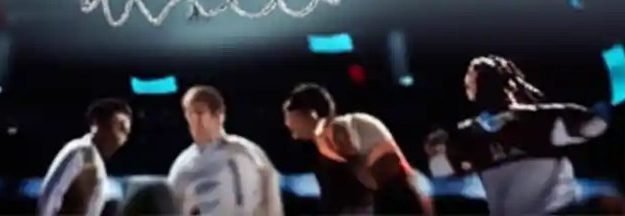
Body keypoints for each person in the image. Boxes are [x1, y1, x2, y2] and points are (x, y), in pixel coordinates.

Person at [444, 55, 608, 215]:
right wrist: (604, 108)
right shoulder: (545, 118)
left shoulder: (467, 135)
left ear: (472, 91)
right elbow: (595, 124)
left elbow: (440, 169)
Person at [282, 83, 432, 214]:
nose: (293, 133)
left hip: (396, 200)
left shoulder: (338, 132)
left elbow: (366, 188)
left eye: (292, 120)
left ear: (311, 115)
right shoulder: (328, 140)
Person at [167, 85, 283, 216]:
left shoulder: (249, 151)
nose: (195, 120)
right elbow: (174, 206)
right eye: (189, 113)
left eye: (200, 113)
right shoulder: (184, 164)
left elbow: (271, 191)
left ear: (219, 115)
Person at [39, 98, 133, 216]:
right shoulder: (80, 152)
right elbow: (51, 197)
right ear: (98, 124)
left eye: (126, 133)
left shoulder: (95, 161)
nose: (121, 139)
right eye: (120, 128)